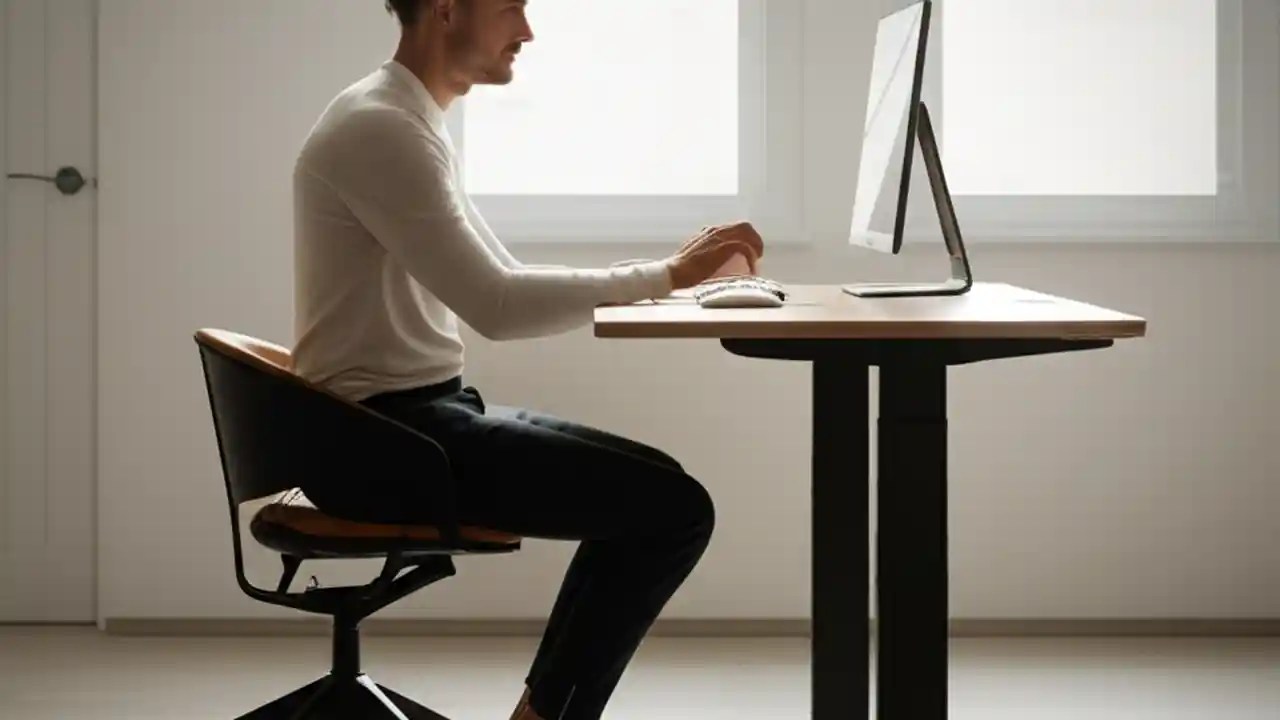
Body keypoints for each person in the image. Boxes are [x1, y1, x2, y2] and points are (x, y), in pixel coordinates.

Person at [290, 1, 765, 718]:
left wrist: (666, 275)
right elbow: (499, 305)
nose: (527, 30)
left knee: (660, 492)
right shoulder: (381, 128)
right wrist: (670, 276)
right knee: (673, 511)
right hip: (380, 443)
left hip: (407, 421)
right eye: (511, 5)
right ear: (447, 8)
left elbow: (500, 276)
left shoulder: (401, 117)